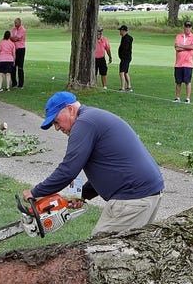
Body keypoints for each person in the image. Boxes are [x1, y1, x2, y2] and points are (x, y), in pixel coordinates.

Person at [26, 91, 164, 235]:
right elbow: (109, 169)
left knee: (100, 245)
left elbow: (68, 170)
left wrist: (35, 192)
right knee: (126, 246)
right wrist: (82, 195)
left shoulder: (84, 124)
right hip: (143, 193)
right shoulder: (91, 118)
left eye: (56, 121)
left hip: (134, 197)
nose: (57, 127)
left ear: (70, 109)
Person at [173, 19, 193, 103]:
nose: (187, 28)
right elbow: (176, 47)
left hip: (188, 63)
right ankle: (177, 98)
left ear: (191, 28)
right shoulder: (178, 36)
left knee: (187, 81)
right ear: (184, 27)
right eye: (186, 26)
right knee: (178, 82)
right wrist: (186, 47)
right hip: (178, 63)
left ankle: (187, 98)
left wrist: (182, 46)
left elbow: (192, 47)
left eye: (189, 26)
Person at [11, 17, 27, 89]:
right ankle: (14, 83)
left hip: (20, 49)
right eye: (14, 23)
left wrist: (13, 38)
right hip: (14, 49)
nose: (15, 24)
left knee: (20, 67)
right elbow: (11, 37)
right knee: (13, 66)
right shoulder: (13, 29)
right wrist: (13, 38)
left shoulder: (22, 30)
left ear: (20, 23)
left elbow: (16, 38)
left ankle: (21, 84)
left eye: (16, 23)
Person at [117, 24, 134, 92]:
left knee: (121, 72)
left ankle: (123, 88)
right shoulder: (125, 37)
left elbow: (125, 48)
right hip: (126, 58)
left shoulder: (126, 39)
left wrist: (122, 55)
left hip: (125, 58)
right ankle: (129, 87)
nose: (119, 32)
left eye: (120, 30)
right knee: (125, 72)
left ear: (123, 30)